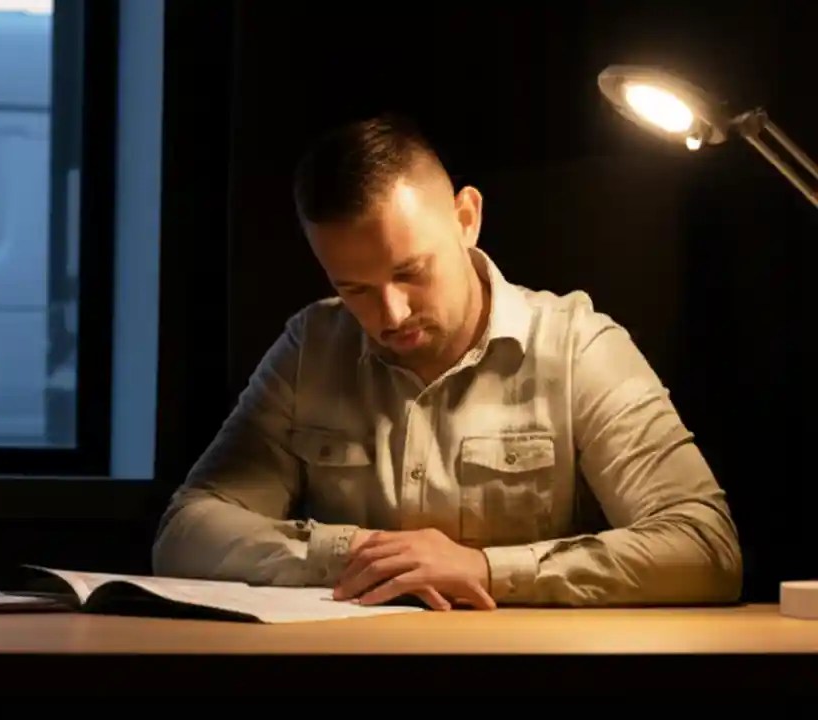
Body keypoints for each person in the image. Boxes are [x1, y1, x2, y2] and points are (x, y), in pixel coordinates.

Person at [151, 111, 743, 610]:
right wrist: (360, 556)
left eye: (410, 272)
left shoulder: (577, 346)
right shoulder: (311, 347)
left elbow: (704, 546)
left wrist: (488, 570)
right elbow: (185, 533)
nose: (391, 314)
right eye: (354, 287)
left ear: (467, 218)